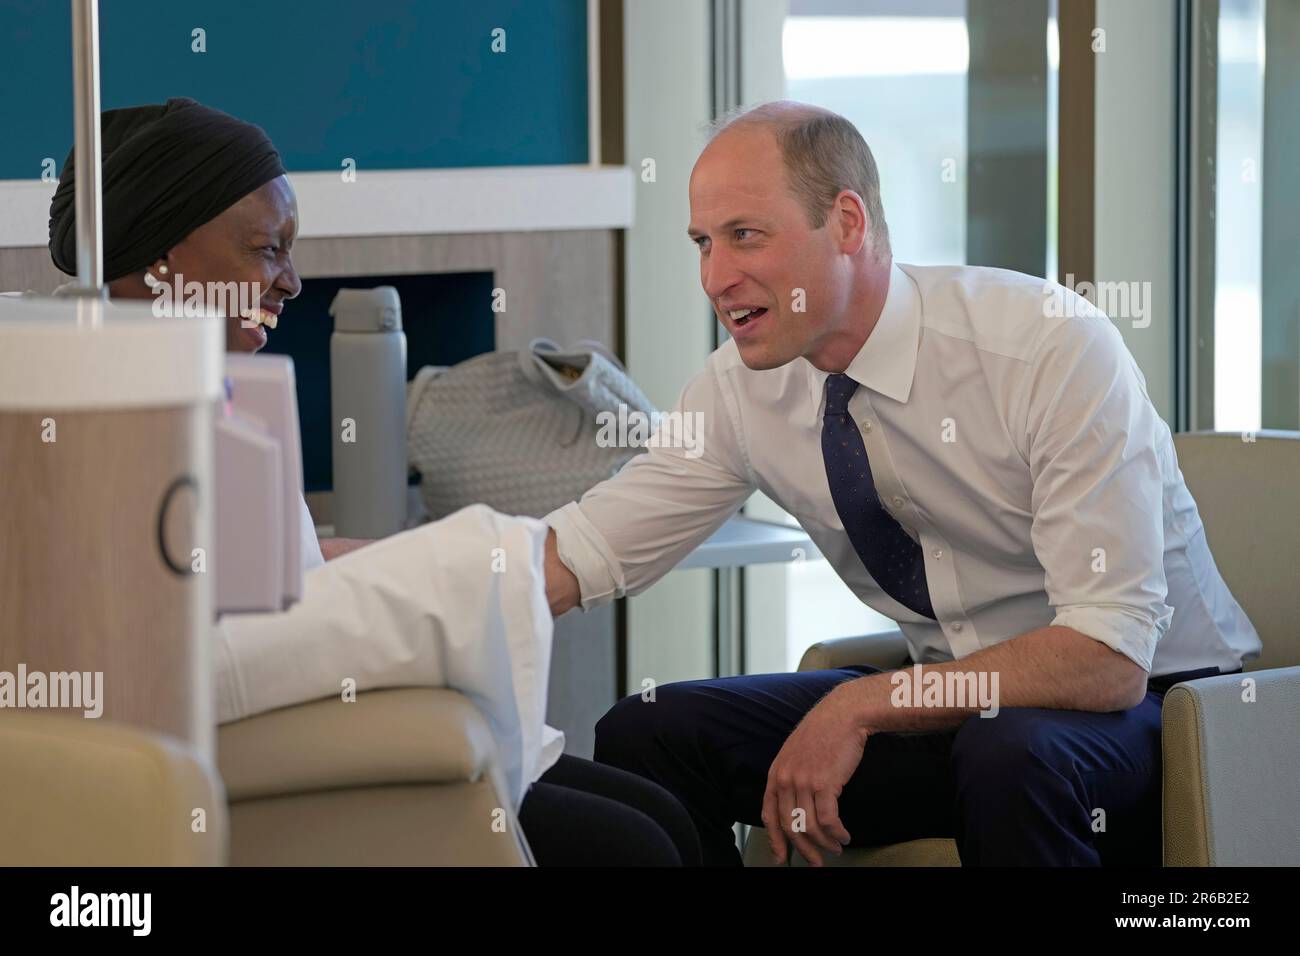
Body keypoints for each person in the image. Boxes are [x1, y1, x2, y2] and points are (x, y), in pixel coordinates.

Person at [540, 100, 1262, 867]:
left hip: (1161, 711)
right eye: (702, 244)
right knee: (648, 729)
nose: (716, 277)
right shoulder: (739, 391)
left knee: (1008, 751)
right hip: (952, 708)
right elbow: (587, 549)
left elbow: (1107, 657)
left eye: (745, 235)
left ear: (847, 223)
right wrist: (419, 624)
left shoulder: (1046, 347)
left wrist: (863, 705)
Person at [47, 96, 701, 867]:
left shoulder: (192, 378)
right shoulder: (86, 403)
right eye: (267, 249)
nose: (291, 282)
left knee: (658, 810)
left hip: (274, 702)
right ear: (158, 254)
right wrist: (465, 567)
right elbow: (185, 636)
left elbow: (276, 567)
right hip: (243, 738)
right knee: (633, 846)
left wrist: (413, 555)